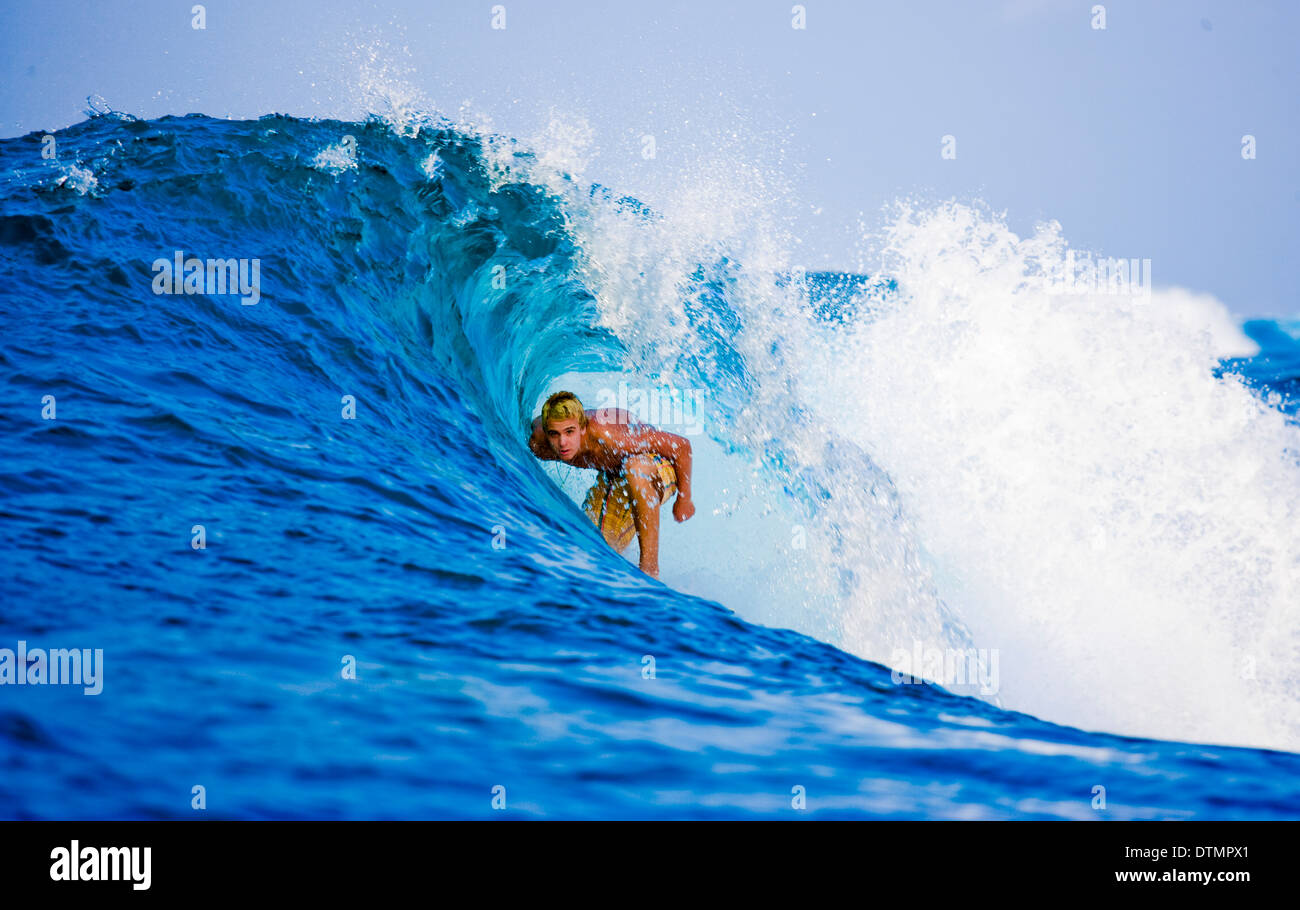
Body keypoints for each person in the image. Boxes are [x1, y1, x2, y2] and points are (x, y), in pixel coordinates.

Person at [527, 390, 695, 578]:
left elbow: (681, 446)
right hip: (616, 475)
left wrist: (684, 499)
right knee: (595, 551)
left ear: (582, 428)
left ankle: (649, 571)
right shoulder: (538, 442)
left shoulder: (610, 437)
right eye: (554, 434)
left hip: (655, 466)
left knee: (636, 468)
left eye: (569, 432)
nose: (562, 442)